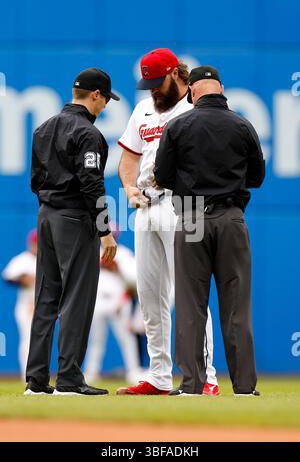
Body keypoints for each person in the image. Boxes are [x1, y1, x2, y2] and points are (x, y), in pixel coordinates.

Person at [154, 65, 265, 396]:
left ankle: (191, 386)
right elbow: (257, 178)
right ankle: (244, 388)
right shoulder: (243, 125)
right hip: (231, 219)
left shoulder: (178, 125)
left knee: (190, 306)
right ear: (221, 88)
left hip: (190, 218)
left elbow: (162, 174)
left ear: (191, 91)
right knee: (236, 307)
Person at [117, 49, 219, 396]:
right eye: (147, 84)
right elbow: (128, 158)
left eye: (158, 82)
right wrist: (129, 188)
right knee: (149, 294)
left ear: (176, 73)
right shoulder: (143, 109)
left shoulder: (196, 107)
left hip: (185, 205)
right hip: (145, 208)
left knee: (191, 293)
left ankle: (206, 377)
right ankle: (159, 375)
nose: (153, 91)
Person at [25, 68, 119, 396]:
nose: (106, 105)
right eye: (105, 98)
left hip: (46, 216)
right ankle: (68, 379)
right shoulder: (88, 133)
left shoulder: (42, 128)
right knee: (77, 297)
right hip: (75, 218)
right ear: (95, 95)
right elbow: (92, 183)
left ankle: (36, 381)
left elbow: (35, 179)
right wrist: (105, 230)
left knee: (46, 298)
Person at [84, 227, 143, 385]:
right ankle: (91, 372)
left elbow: (135, 282)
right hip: (97, 301)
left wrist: (118, 269)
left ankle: (133, 371)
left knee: (126, 339)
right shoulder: (92, 251)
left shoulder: (124, 254)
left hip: (118, 302)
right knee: (95, 340)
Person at [2, 230, 37, 379]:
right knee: (28, 340)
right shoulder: (22, 259)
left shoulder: (51, 259)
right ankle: (27, 376)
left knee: (43, 343)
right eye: (35, 243)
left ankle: (40, 375)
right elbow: (7, 277)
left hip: (45, 306)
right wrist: (22, 279)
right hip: (27, 305)